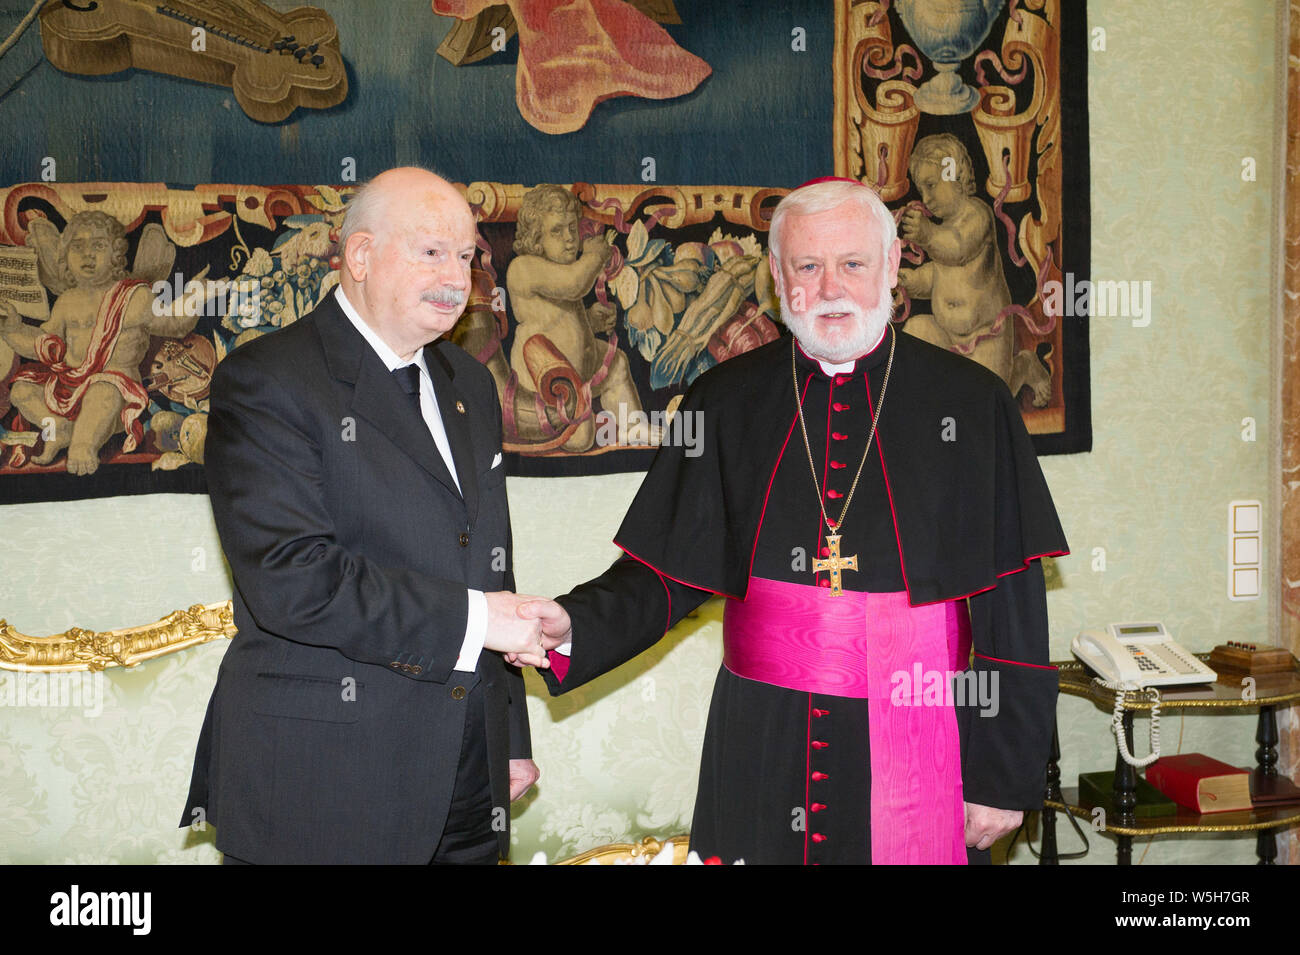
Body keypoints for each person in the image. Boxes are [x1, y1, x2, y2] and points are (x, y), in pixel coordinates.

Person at [517, 178, 1068, 865]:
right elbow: (665, 573)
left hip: (923, 729)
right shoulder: (725, 400)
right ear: (778, 278)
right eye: (807, 266)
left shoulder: (973, 404)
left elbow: (1012, 609)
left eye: (853, 264)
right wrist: (577, 623)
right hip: (762, 739)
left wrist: (1001, 774)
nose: (830, 286)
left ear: (893, 266)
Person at [181, 167, 550, 864]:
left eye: (468, 256)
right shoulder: (267, 381)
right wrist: (480, 620)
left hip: (470, 775)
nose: (457, 276)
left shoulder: (467, 381)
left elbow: (487, 561)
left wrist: (508, 736)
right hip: (327, 782)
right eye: (431, 252)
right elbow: (293, 580)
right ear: (358, 257)